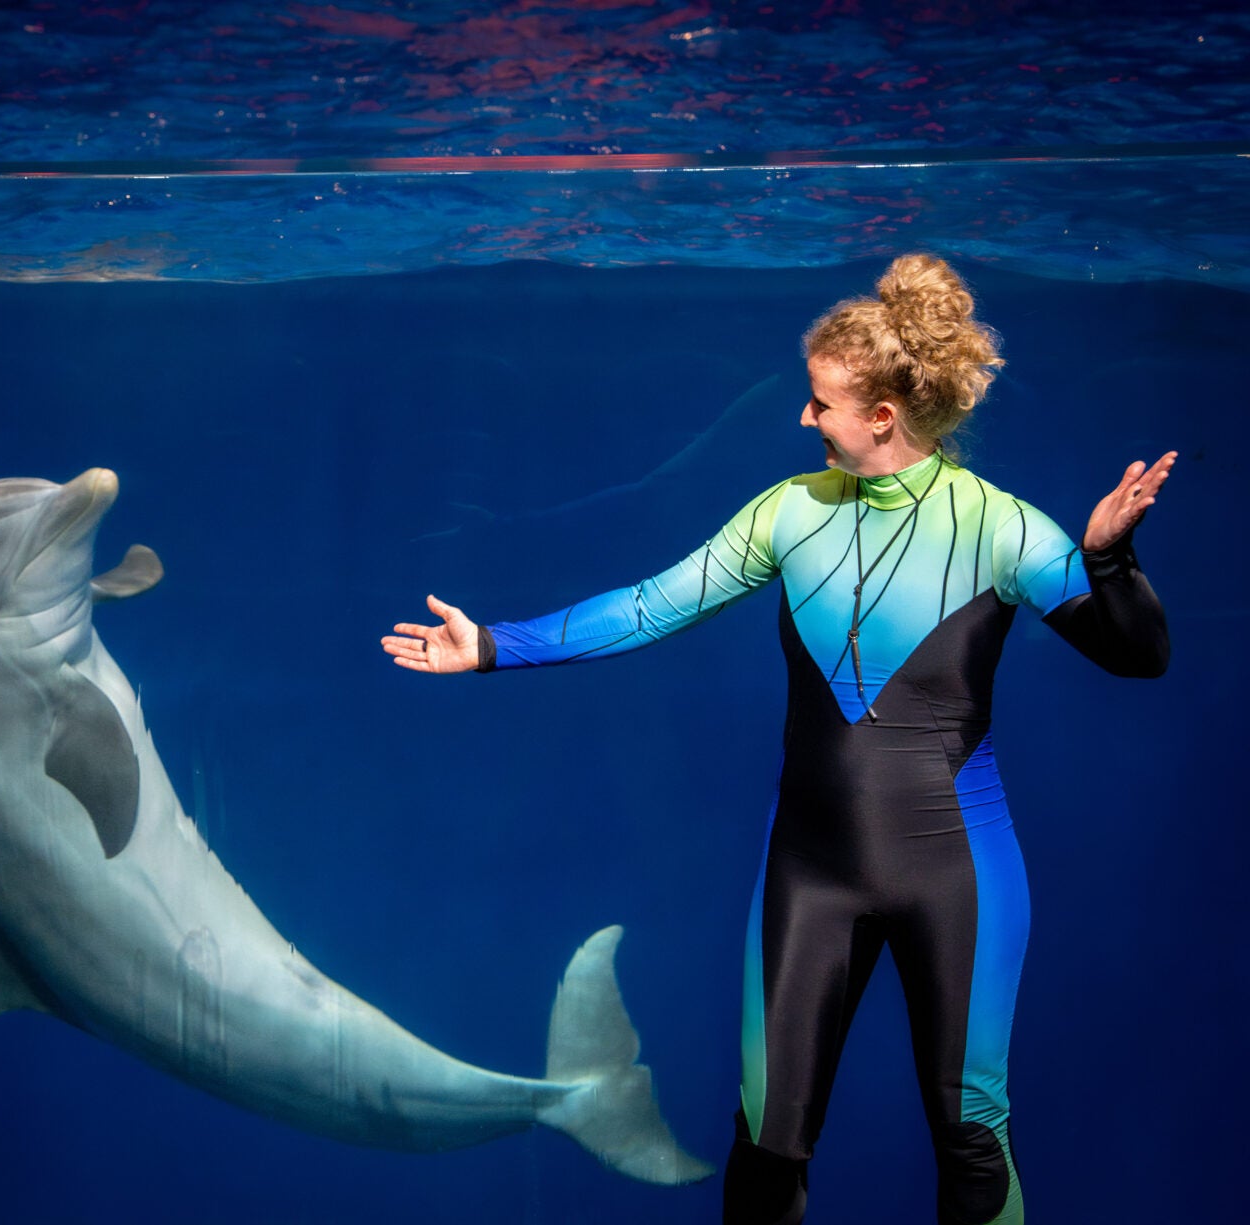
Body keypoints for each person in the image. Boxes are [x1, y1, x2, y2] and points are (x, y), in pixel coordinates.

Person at [380, 254, 1172, 1225]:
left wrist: (1108, 558)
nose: (803, 417)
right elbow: (648, 606)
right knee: (767, 1140)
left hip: (956, 873)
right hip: (812, 873)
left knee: (969, 1132)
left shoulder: (1001, 529)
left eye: (819, 402)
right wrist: (497, 645)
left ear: (881, 414)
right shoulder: (790, 512)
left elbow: (1136, 656)